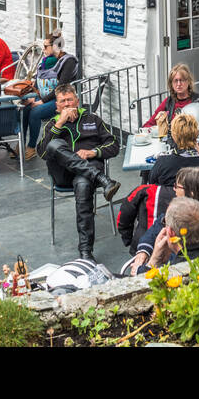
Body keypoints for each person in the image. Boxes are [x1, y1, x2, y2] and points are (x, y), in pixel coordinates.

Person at [39, 82, 119, 262]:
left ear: (77, 101)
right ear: (57, 106)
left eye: (69, 100)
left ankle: (85, 252)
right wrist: (59, 123)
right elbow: (43, 152)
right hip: (63, 175)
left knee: (83, 185)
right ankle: (103, 179)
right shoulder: (52, 124)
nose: (67, 105)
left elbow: (114, 144)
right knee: (54, 145)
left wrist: (93, 152)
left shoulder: (92, 119)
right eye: (63, 102)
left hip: (85, 176)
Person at [120, 165, 199, 260]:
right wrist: (143, 251)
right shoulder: (178, 207)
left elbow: (177, 259)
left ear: (191, 193)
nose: (173, 189)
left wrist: (146, 266)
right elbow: (156, 227)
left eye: (177, 186)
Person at [19, 30, 79, 160]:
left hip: (61, 100)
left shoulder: (68, 61)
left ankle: (31, 147)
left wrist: (41, 101)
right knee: (25, 109)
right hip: (44, 96)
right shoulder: (47, 61)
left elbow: (60, 87)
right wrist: (32, 95)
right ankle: (20, 144)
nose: (43, 49)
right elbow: (39, 80)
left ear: (55, 46)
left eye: (46, 46)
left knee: (35, 112)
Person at [127, 196, 199, 275]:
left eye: (164, 223)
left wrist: (153, 262)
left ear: (170, 233)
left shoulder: (174, 272)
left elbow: (148, 285)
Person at [142, 64, 199, 131]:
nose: (179, 84)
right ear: (171, 84)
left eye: (182, 80)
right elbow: (149, 124)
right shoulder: (168, 102)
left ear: (188, 82)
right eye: (175, 81)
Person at [147, 112, 199, 187]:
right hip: (197, 198)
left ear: (174, 136)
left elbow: (151, 183)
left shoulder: (163, 162)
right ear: (196, 133)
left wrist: (162, 135)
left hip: (170, 198)